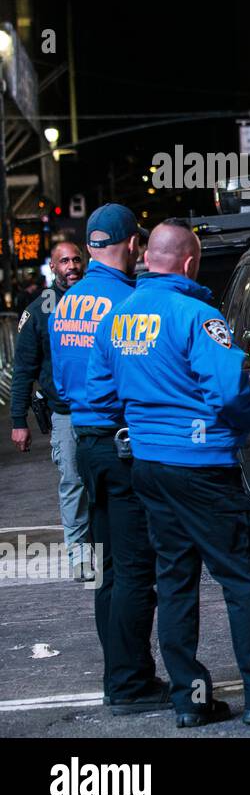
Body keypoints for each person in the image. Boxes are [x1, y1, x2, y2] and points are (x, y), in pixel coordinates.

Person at [85, 220, 250, 728]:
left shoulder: (118, 317)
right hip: (203, 469)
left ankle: (190, 701)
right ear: (190, 263)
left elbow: (99, 395)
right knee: (240, 579)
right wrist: (238, 430)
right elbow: (234, 394)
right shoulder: (198, 316)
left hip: (148, 467)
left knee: (175, 581)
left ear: (148, 258)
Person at [48, 204, 167, 716]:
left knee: (108, 569)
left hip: (84, 439)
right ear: (135, 244)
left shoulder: (68, 301)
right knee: (136, 569)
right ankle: (131, 681)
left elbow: (59, 380)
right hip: (120, 444)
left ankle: (118, 676)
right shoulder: (127, 301)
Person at [10, 242, 93, 580]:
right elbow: (23, 370)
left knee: (109, 483)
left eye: (76, 259)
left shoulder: (98, 301)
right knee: (73, 482)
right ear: (54, 267)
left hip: (104, 411)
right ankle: (81, 556)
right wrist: (18, 421)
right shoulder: (40, 310)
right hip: (65, 413)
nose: (71, 266)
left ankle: (116, 552)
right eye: (64, 261)